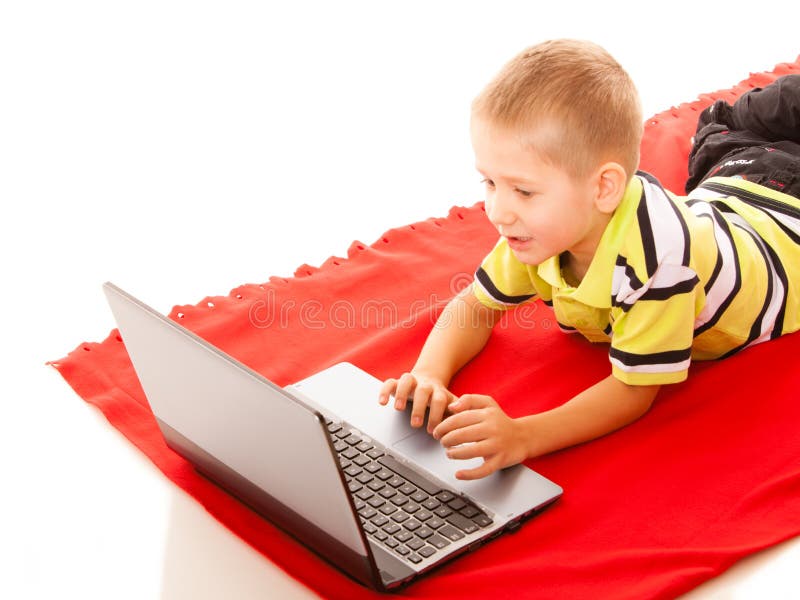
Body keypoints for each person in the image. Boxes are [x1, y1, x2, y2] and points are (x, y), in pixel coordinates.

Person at [377, 39, 800, 480]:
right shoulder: (538, 230)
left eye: (522, 190)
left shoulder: (657, 264)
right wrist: (428, 374)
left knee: (738, 121)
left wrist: (525, 434)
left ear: (603, 188)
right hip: (734, 176)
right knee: (730, 125)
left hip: (788, 216)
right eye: (489, 183)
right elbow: (474, 305)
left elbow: (633, 391)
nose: (498, 211)